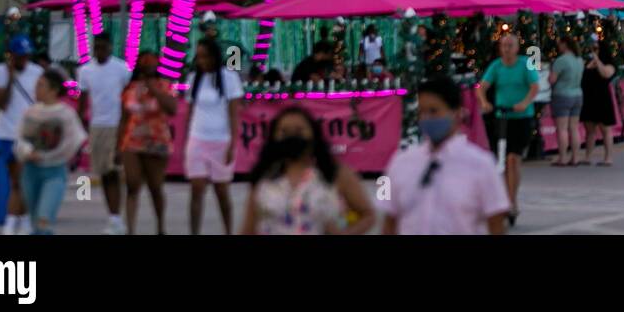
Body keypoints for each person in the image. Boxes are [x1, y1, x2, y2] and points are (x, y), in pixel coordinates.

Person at [382, 77, 510, 234]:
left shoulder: (481, 165)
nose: (426, 118)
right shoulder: (401, 163)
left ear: (456, 113)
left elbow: (496, 224)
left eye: (434, 111)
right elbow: (390, 221)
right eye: (421, 112)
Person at [241, 105, 374, 235]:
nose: (292, 136)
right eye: (284, 132)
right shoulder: (264, 176)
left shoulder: (334, 173)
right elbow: (248, 229)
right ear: (273, 137)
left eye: (299, 131)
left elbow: (367, 215)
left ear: (314, 134)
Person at [15, 67, 86, 235]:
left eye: (41, 85)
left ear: (53, 90)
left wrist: (48, 155)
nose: (36, 89)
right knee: (35, 222)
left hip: (54, 172)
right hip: (30, 172)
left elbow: (74, 141)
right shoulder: (30, 113)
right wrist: (26, 152)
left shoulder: (66, 114)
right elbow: (20, 138)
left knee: (44, 219)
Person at [478, 33, 539, 224]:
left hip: (521, 117)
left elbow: (535, 86)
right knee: (502, 161)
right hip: (502, 117)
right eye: (503, 45)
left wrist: (525, 102)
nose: (506, 49)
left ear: (517, 48)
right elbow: (482, 86)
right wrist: (485, 102)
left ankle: (513, 201)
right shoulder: (496, 65)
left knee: (514, 158)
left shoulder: (526, 64)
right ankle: (504, 199)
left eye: (510, 45)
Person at [185, 39, 244, 234]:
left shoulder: (230, 78)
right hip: (198, 139)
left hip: (221, 141)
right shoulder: (194, 78)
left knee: (221, 192)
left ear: (214, 56)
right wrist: (186, 141)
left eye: (205, 56)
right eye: (198, 56)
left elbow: (234, 114)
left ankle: (228, 230)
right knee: (197, 190)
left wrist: (232, 144)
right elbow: (190, 111)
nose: (201, 61)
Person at [0, 34, 44, 235]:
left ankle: (15, 222)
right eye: (19, 56)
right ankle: (22, 220)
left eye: (26, 56)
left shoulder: (37, 72)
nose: (23, 60)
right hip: (6, 133)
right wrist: (11, 78)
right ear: (10, 56)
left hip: (28, 135)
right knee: (16, 181)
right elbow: (1, 104)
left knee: (22, 180)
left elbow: (42, 101)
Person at [76, 31, 129, 235]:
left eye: (103, 47)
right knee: (104, 174)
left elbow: (127, 100)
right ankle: (113, 218)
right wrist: (81, 127)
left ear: (110, 47)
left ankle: (117, 218)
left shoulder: (121, 69)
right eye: (96, 46)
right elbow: (82, 103)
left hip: (116, 125)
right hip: (97, 127)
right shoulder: (85, 71)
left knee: (114, 172)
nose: (99, 50)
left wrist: (125, 129)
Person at [119, 50, 177, 234]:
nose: (148, 67)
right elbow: (124, 117)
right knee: (132, 184)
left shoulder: (165, 86)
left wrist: (154, 89)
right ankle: (130, 229)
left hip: (157, 141)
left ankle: (160, 226)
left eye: (152, 64)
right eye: (145, 64)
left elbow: (172, 109)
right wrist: (117, 145)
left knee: (155, 187)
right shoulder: (129, 89)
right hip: (132, 141)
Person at [548, 36, 584, 167]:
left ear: (564, 44)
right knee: (574, 128)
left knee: (562, 129)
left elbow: (552, 79)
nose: (558, 47)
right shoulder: (579, 60)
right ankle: (575, 157)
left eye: (559, 44)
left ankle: (562, 158)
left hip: (562, 95)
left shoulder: (561, 61)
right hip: (577, 94)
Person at [580, 38, 617, 165]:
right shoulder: (588, 63)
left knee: (605, 130)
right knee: (590, 130)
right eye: (592, 49)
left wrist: (597, 60)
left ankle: (608, 158)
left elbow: (605, 74)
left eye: (596, 49)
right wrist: (589, 65)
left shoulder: (609, 64)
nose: (593, 51)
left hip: (603, 99)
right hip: (589, 99)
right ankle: (587, 157)